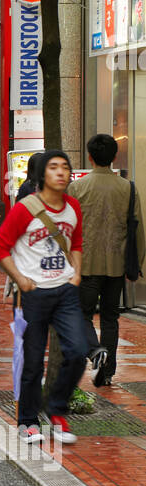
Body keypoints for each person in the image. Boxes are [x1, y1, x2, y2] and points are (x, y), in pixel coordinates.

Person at [0, 149, 90, 447]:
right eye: (54, 168)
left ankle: (57, 410)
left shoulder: (73, 206)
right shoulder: (25, 208)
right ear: (43, 175)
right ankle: (28, 421)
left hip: (65, 291)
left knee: (78, 350)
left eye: (65, 168)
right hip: (34, 293)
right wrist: (20, 279)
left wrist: (76, 274)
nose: (61, 172)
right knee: (33, 360)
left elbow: (78, 241)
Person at [70, 133, 146, 388]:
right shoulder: (128, 187)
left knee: (81, 314)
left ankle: (94, 351)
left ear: (90, 157)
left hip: (85, 263)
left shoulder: (77, 188)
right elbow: (138, 230)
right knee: (111, 318)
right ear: (114, 157)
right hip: (116, 264)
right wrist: (135, 264)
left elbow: (67, 227)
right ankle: (108, 372)